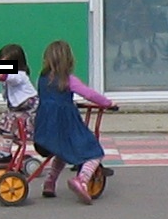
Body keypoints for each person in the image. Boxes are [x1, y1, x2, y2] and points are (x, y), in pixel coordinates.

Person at [32, 39, 118, 200]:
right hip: (63, 127)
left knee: (61, 151)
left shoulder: (41, 78)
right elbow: (89, 94)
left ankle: (50, 182)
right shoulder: (67, 79)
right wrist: (108, 103)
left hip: (44, 130)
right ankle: (82, 179)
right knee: (94, 151)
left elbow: (7, 72)